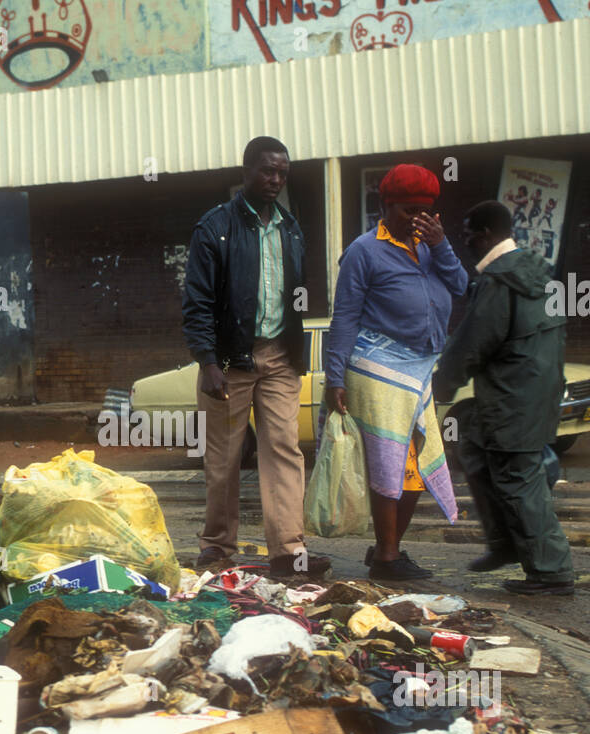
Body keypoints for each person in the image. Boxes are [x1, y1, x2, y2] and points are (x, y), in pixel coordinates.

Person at [182, 136, 330, 577]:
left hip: (281, 357)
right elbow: (197, 301)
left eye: (283, 172)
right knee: (224, 456)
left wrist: (297, 352)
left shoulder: (290, 226)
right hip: (229, 361)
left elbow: (296, 295)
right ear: (246, 171)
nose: (276, 179)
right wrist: (208, 360)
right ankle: (216, 547)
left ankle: (288, 550)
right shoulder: (216, 227)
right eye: (267, 170)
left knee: (284, 449)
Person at [324, 163, 466, 581]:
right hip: (375, 369)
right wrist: (335, 377)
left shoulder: (431, 247)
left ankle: (388, 549)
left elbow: (461, 287)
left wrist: (441, 246)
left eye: (426, 212)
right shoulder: (363, 251)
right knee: (392, 465)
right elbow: (344, 317)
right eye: (407, 211)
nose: (416, 220)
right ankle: (387, 556)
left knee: (417, 465)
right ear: (385, 206)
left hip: (419, 373)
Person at [434, 200, 574, 596]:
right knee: (474, 447)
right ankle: (505, 544)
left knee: (519, 480)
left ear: (487, 235)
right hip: (536, 392)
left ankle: (552, 571)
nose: (467, 243)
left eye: (469, 236)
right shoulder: (540, 274)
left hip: (513, 398)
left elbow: (474, 341)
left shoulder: (499, 281)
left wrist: (442, 385)